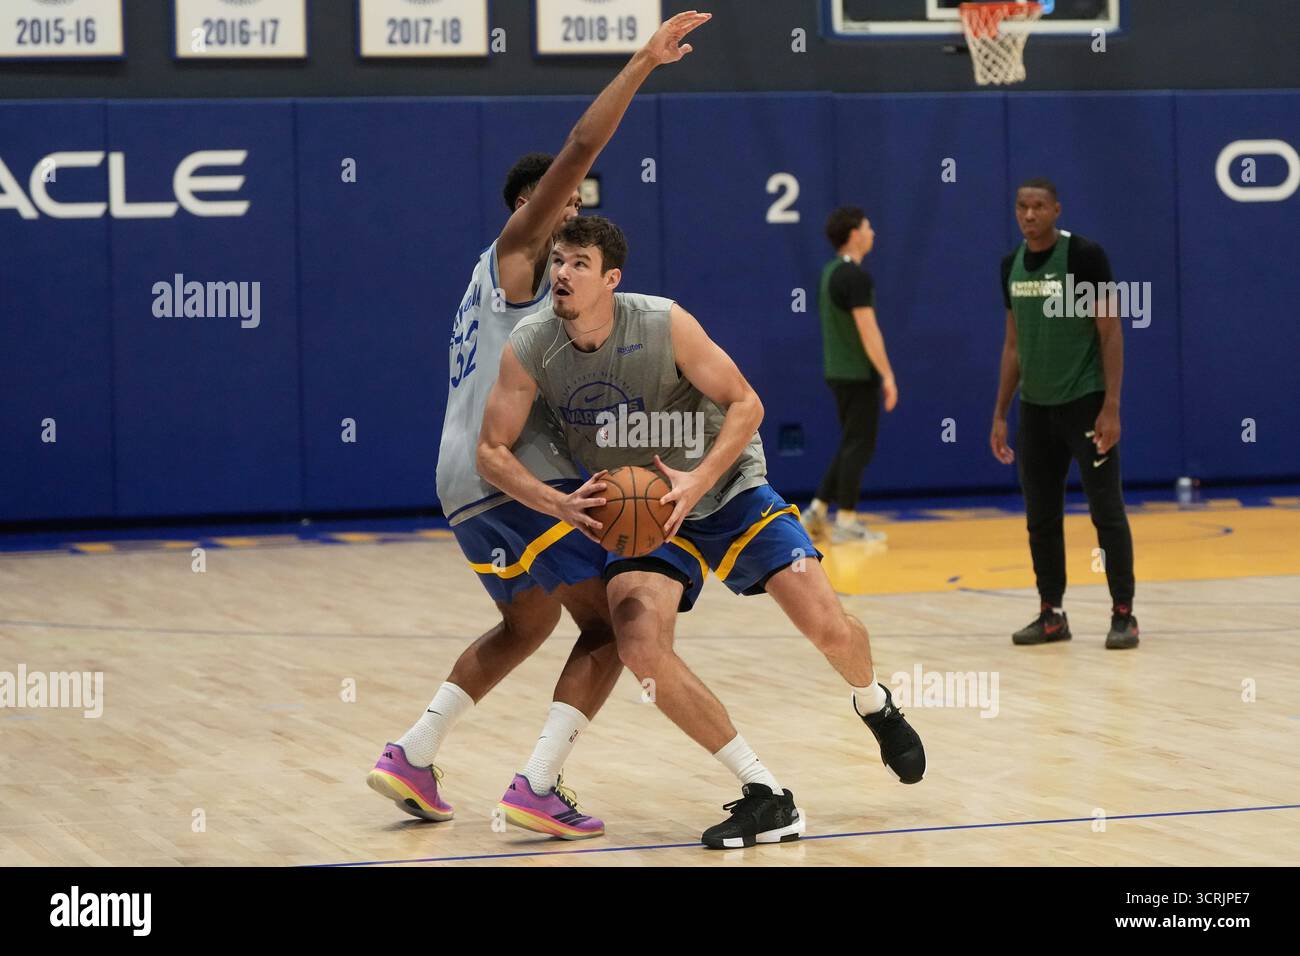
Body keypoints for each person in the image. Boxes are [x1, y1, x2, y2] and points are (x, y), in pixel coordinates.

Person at [366, 11, 715, 841]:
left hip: (461, 477)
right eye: (563, 199)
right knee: (609, 624)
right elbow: (583, 145)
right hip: (502, 472)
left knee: (527, 621)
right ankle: (537, 785)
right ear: (534, 204)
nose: (574, 212)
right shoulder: (522, 248)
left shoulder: (504, 288)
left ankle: (412, 754)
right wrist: (640, 64)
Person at [478, 216, 926, 849]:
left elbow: (747, 403)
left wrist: (697, 480)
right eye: (557, 261)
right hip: (649, 515)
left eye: (579, 263)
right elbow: (491, 451)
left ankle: (873, 700)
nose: (561, 273)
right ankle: (765, 793)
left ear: (612, 279)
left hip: (727, 486)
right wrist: (558, 503)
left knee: (827, 627)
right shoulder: (531, 345)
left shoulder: (663, 323)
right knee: (638, 646)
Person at [990, 178, 1139, 650]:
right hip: (1035, 411)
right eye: (1021, 207)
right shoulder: (1010, 265)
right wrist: (1000, 412)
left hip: (1085, 403)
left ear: (1056, 209)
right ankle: (1051, 613)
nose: (1029, 215)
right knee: (1040, 517)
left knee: (1106, 512)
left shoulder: (1084, 257)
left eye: (1038, 207)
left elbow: (1110, 332)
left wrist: (1111, 406)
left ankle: (1123, 614)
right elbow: (1013, 345)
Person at [802, 207, 897, 544]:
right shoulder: (855, 277)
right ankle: (847, 519)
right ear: (854, 233)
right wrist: (887, 375)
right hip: (856, 373)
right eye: (869, 227)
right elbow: (868, 331)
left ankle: (817, 510)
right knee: (860, 445)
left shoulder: (830, 273)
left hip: (837, 372)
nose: (873, 233)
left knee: (849, 443)